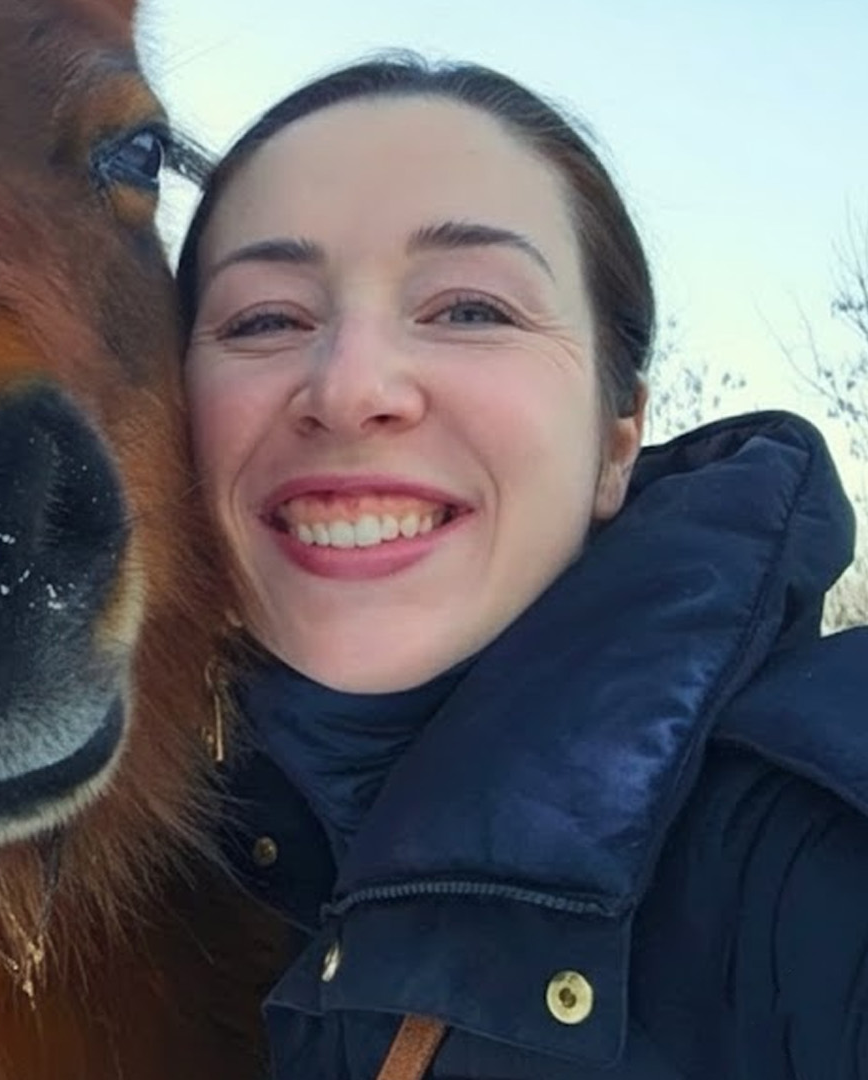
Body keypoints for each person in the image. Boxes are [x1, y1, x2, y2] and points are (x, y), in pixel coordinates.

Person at [176, 53, 868, 1079]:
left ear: (619, 435)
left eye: (470, 309)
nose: (351, 385)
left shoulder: (817, 851)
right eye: (265, 318)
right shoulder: (184, 887)